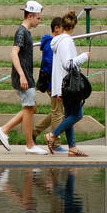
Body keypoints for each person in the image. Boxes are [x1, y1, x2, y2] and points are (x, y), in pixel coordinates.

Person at [0, 0, 49, 155]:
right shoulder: (21, 32)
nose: (40, 21)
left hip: (26, 76)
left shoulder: (25, 32)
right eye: (38, 18)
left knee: (32, 108)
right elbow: (13, 53)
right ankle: (30, 145)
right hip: (24, 76)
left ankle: (4, 129)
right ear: (30, 16)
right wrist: (22, 76)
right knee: (28, 108)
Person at [45, 11, 91, 157]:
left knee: (69, 115)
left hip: (63, 86)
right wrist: (84, 56)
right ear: (72, 26)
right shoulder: (66, 41)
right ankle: (52, 135)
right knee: (77, 115)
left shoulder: (59, 41)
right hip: (69, 87)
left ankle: (72, 147)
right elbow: (67, 64)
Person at [31, 17, 68, 155]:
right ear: (56, 28)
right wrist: (56, 86)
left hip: (55, 83)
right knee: (58, 113)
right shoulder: (51, 43)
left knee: (57, 112)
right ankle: (55, 143)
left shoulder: (53, 42)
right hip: (53, 84)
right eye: (62, 29)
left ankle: (35, 132)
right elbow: (50, 65)